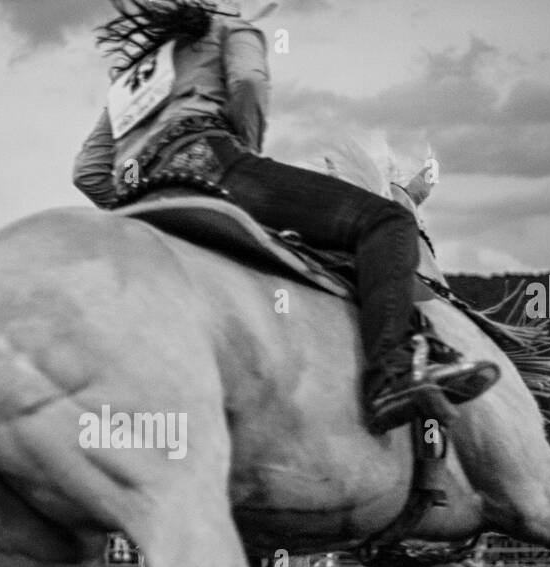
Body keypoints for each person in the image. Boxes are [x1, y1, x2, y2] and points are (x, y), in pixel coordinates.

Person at [71, 0, 498, 434]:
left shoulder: (131, 77)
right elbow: (250, 85)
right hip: (214, 165)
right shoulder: (229, 28)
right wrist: (242, 155)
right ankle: (393, 371)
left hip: (140, 192)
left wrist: (138, 202)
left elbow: (87, 171)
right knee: (387, 222)